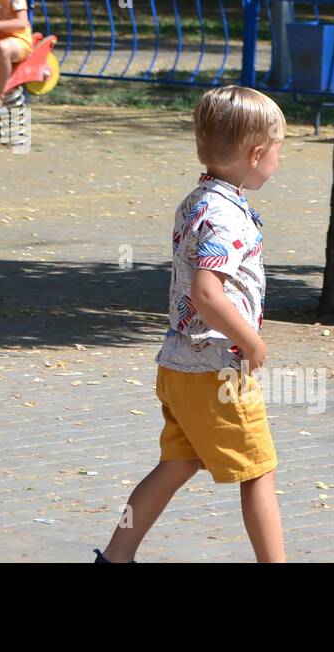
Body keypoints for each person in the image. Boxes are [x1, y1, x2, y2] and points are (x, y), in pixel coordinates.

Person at [95, 86, 286, 563]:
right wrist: (252, 342)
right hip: (218, 369)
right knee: (258, 472)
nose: (280, 160)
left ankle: (115, 558)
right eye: (280, 149)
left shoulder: (198, 200)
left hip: (178, 364)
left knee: (176, 463)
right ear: (256, 153)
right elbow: (207, 292)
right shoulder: (229, 218)